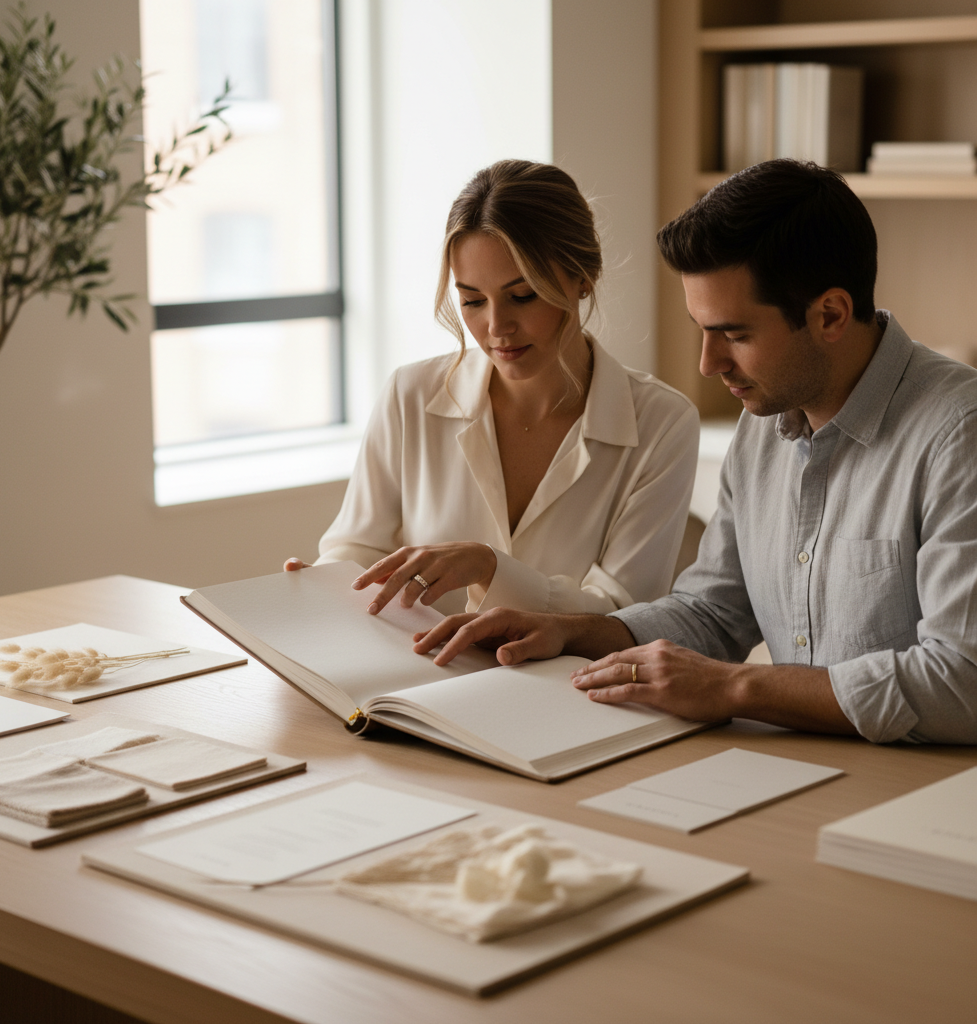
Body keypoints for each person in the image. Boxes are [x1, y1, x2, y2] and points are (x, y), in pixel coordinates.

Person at [414, 159, 977, 746]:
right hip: (798, 771)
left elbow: (964, 680)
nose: (709, 364)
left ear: (830, 314)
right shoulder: (765, 423)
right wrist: (568, 631)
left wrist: (736, 688)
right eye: (702, 331)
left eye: (735, 335)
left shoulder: (959, 434)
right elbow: (714, 613)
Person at [286, 159, 699, 617]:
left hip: (568, 686)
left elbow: (621, 614)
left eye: (522, 295)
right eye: (472, 301)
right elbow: (359, 547)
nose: (496, 327)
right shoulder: (411, 394)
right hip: (418, 681)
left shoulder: (663, 422)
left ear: (583, 276)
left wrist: (490, 570)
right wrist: (322, 584)